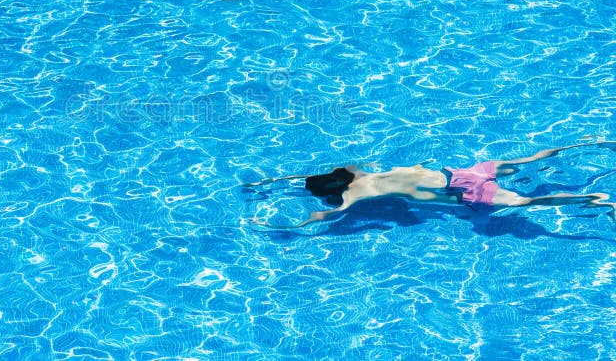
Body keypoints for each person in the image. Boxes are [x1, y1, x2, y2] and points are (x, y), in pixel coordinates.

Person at [246, 142, 616, 228]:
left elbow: (325, 216)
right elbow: (307, 177)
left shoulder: (355, 193)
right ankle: (591, 144)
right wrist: (272, 181)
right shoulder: (355, 173)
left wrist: (286, 225)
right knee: (530, 159)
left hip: (465, 193)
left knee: (526, 203)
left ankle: (595, 198)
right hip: (464, 172)